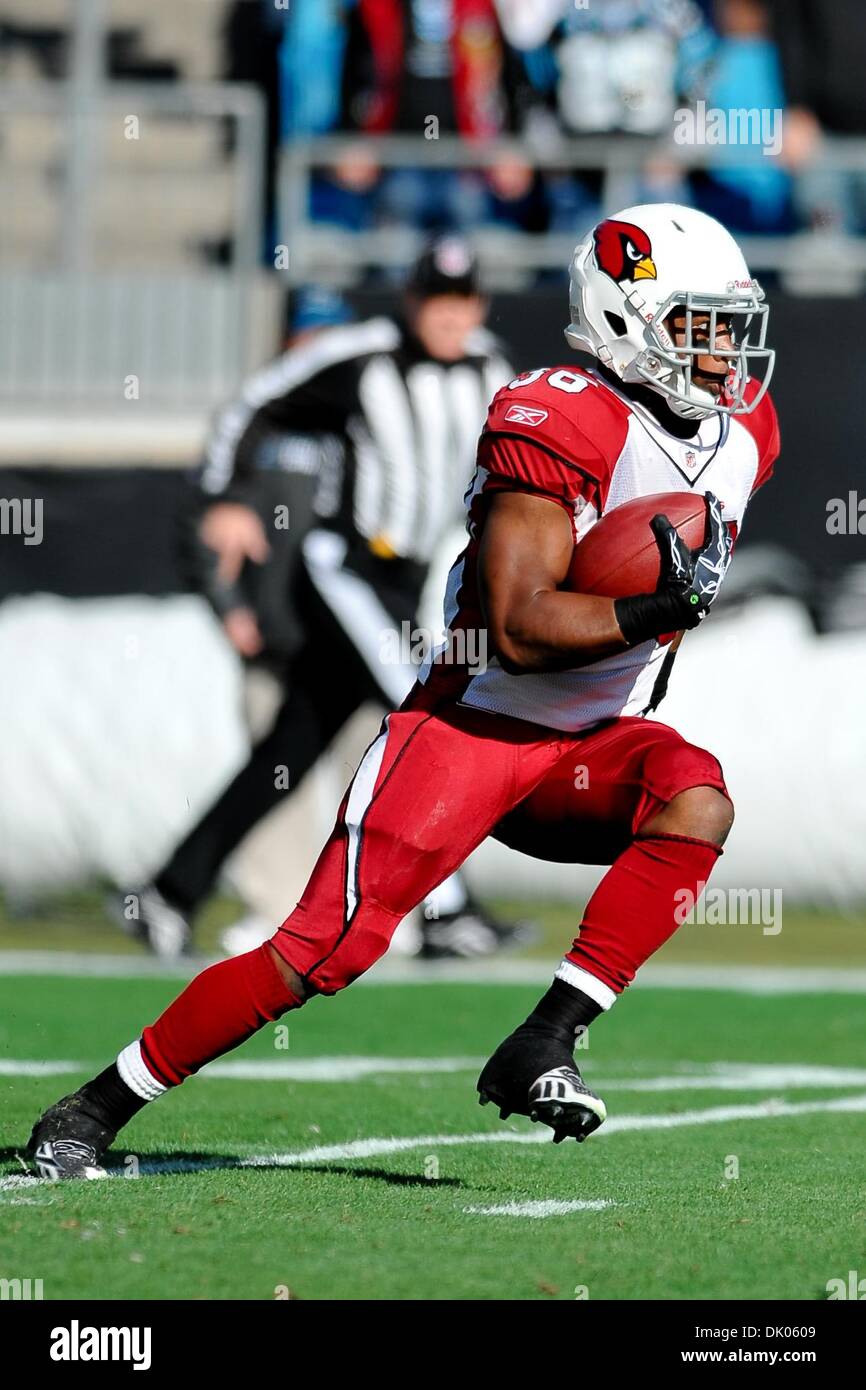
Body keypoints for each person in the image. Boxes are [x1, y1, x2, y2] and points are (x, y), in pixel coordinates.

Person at [28, 203, 780, 1177]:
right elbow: (515, 628)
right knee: (324, 949)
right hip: (473, 725)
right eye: (696, 324)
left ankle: (541, 1042)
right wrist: (648, 611)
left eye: (727, 323)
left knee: (695, 795)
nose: (723, 350)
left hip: (589, 747)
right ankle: (91, 1109)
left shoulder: (743, 427)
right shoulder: (560, 414)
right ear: (624, 321)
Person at [124, 239, 526, 963]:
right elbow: (253, 403)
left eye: (462, 300)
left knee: (294, 742)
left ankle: (169, 892)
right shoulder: (363, 356)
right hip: (347, 569)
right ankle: (446, 909)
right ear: (412, 301)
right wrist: (218, 497)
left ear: (481, 305)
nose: (449, 314)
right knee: (425, 716)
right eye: (437, 298)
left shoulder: (493, 368)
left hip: (416, 582)